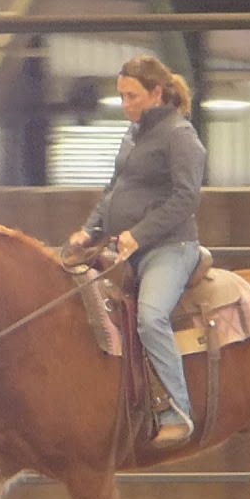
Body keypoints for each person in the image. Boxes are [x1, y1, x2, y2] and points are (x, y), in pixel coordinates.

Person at [69, 55, 207, 449]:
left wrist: (139, 234)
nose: (126, 105)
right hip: (129, 248)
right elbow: (113, 190)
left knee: (150, 318)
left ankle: (176, 411)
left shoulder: (180, 136)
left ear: (156, 93)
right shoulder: (132, 135)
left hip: (171, 247)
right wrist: (88, 229)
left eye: (132, 96)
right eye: (122, 97)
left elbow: (187, 197)